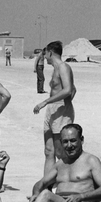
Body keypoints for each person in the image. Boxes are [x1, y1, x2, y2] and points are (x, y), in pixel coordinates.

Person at [2, 123, 101, 202]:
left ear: (82, 140)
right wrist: (35, 195)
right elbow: (40, 184)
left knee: (46, 195)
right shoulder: (60, 164)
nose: (69, 145)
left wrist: (80, 196)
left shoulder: (91, 161)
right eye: (65, 142)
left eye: (73, 141)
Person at [33, 41, 76, 173]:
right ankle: (47, 185)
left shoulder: (63, 67)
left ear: (50, 52)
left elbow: (69, 90)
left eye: (45, 54)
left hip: (60, 111)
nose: (44, 57)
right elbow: (74, 90)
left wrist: (46, 102)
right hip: (52, 110)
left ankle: (64, 182)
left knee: (60, 151)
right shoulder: (56, 69)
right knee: (49, 151)